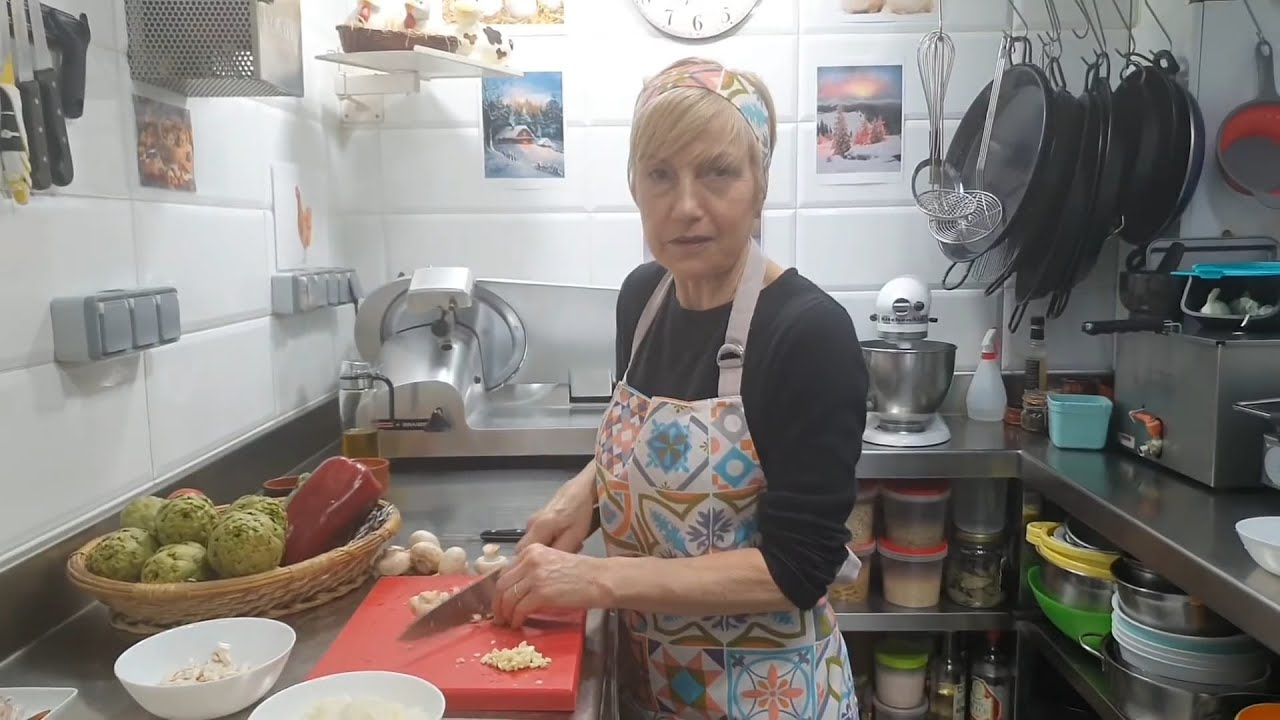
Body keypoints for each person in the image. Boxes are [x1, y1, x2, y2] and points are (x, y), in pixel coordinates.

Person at [492, 57, 870, 719]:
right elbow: (644, 443)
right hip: (652, 682)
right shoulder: (643, 300)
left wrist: (595, 577)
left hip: (769, 698)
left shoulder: (809, 332)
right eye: (661, 174)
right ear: (635, 186)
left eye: (718, 171)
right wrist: (586, 487)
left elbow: (798, 568)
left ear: (758, 184)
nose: (686, 205)